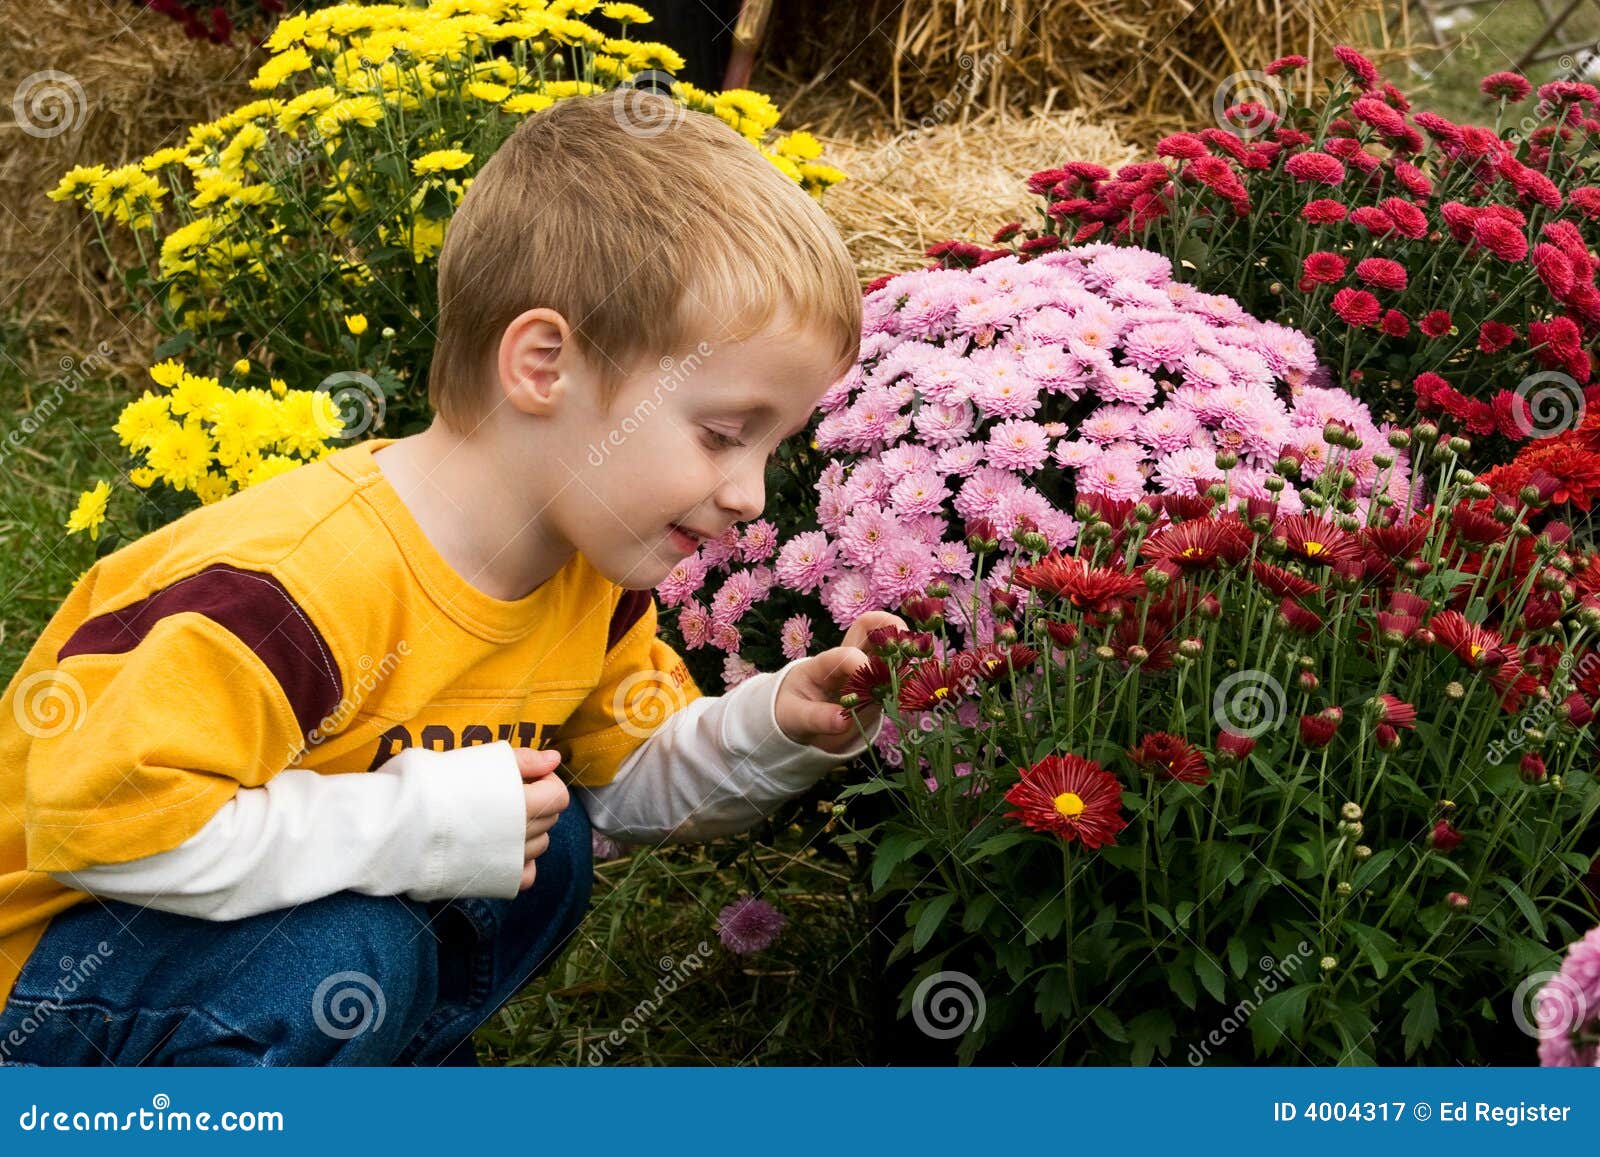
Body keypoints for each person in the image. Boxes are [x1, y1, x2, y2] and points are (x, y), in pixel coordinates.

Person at [0, 90, 896, 1065]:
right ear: (543, 365)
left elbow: (628, 782)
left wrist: (777, 724)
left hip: (230, 941)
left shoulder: (585, 580)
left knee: (546, 837)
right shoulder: (291, 587)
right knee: (355, 942)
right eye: (723, 434)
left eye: (771, 445)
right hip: (48, 981)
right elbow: (105, 827)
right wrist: (413, 825)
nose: (751, 495)